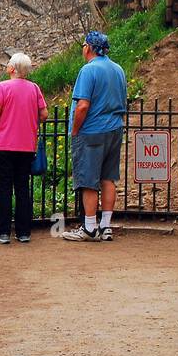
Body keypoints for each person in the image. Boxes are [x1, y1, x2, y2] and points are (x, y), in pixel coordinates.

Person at [63, 30, 127, 242]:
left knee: (88, 180)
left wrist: (75, 131)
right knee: (108, 177)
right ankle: (106, 226)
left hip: (91, 132)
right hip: (115, 129)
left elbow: (82, 105)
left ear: (89, 47)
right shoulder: (118, 69)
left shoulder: (88, 70)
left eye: (83, 45)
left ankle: (90, 227)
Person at [0, 52, 48, 244]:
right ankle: (23, 232)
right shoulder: (34, 88)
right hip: (27, 145)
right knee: (22, 187)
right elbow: (44, 114)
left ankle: (3, 232)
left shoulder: (2, 87)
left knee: (5, 187)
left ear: (12, 68)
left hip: (5, 144)